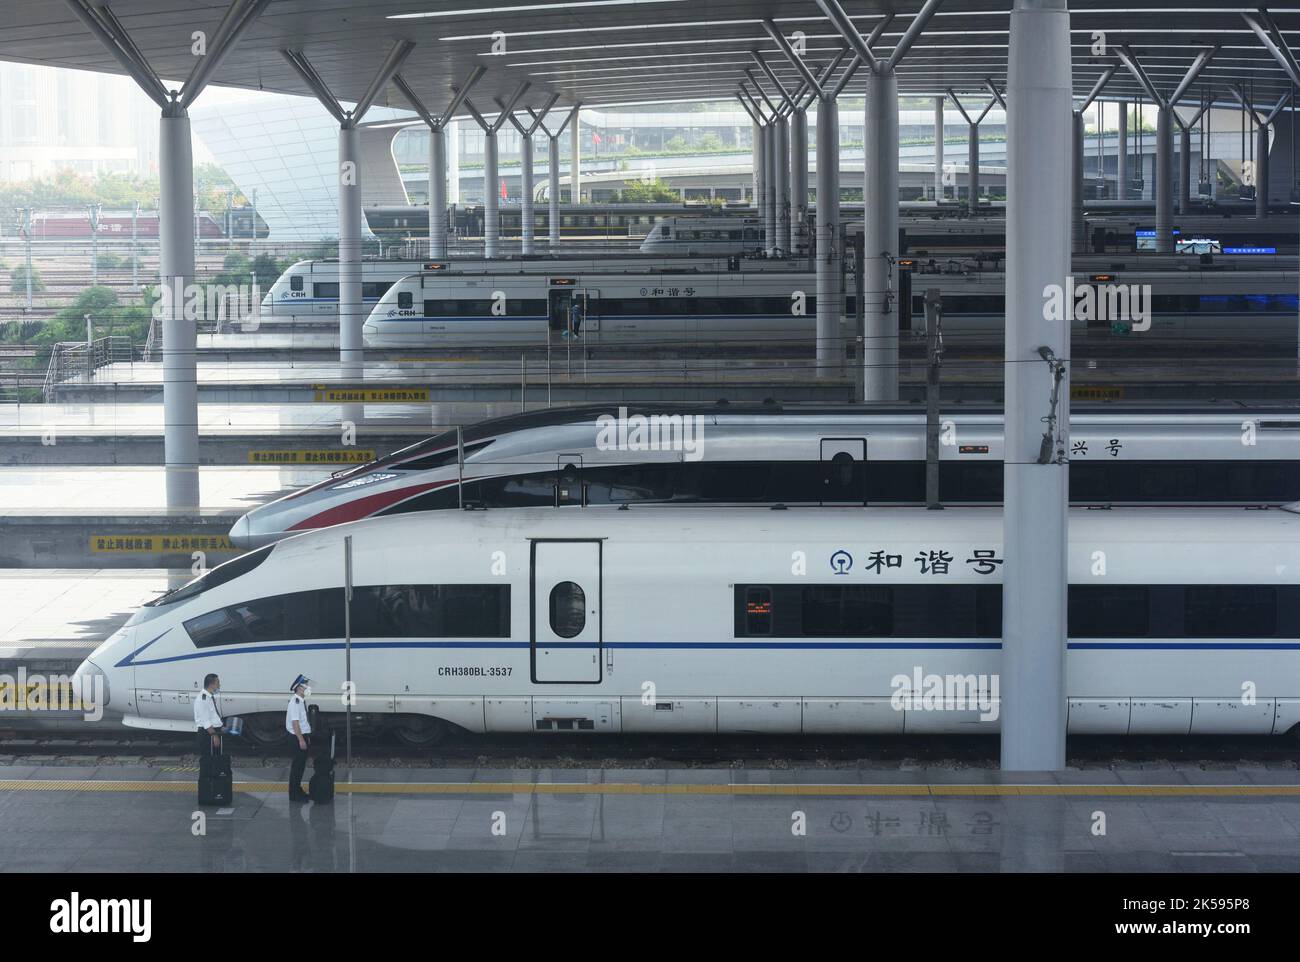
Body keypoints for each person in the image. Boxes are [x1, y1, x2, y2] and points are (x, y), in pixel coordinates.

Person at [286, 674, 313, 802]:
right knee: (297, 767)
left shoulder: (301, 701)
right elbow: (295, 723)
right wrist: (301, 739)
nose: (308, 688)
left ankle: (297, 790)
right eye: (305, 686)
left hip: (301, 736)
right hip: (297, 738)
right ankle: (294, 794)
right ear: (298, 688)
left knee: (300, 766)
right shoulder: (295, 702)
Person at [193, 673, 224, 756]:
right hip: (207, 734)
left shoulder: (209, 697)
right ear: (212, 685)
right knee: (207, 760)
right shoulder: (202, 699)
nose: (219, 685)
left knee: (214, 759)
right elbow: (205, 720)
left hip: (212, 732)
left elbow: (212, 716)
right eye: (218, 683)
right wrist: (214, 736)